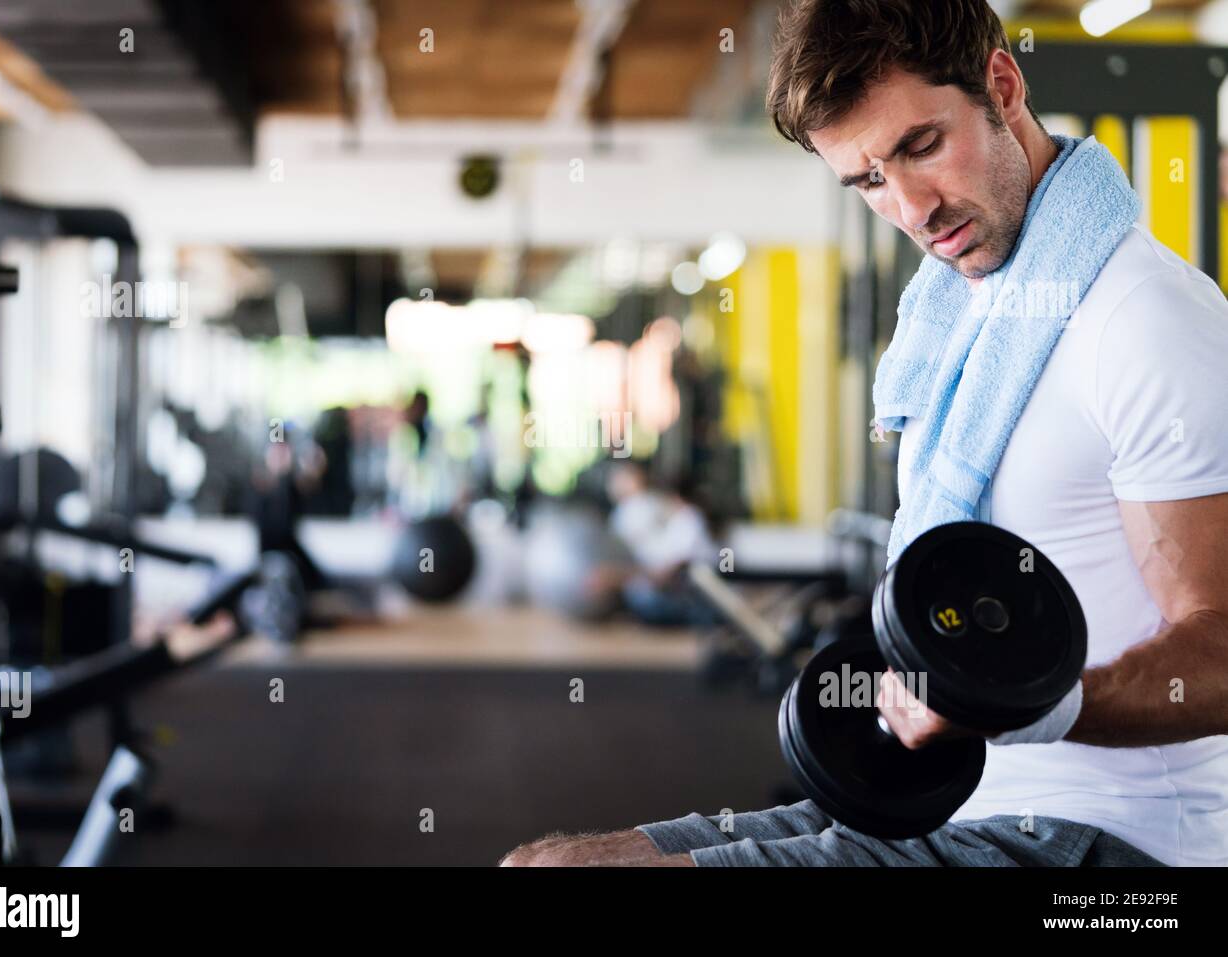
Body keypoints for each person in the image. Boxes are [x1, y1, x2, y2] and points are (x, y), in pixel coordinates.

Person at [502, 0, 1228, 867]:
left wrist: (1028, 704)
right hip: (954, 802)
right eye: (868, 180)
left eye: (921, 145)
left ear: (1001, 85)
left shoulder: (1143, 318)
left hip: (1115, 845)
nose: (912, 206)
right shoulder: (963, 330)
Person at [584, 461, 716, 627]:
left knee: (641, 602)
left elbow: (664, 575)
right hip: (678, 596)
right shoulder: (678, 522)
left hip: (691, 602)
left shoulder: (689, 521)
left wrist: (614, 578)